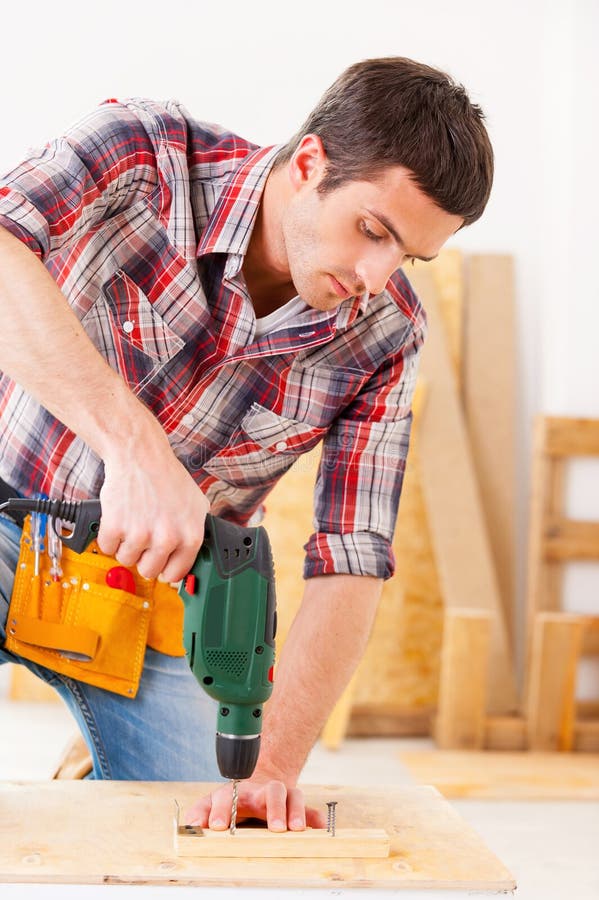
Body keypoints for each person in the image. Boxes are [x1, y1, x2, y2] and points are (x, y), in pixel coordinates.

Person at [0, 57, 493, 831]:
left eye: (407, 256)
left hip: (156, 594)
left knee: (209, 817)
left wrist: (274, 770)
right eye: (371, 230)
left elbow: (351, 557)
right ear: (308, 164)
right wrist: (136, 451)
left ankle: (106, 738)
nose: (375, 274)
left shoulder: (387, 334)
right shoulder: (144, 155)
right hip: (10, 522)